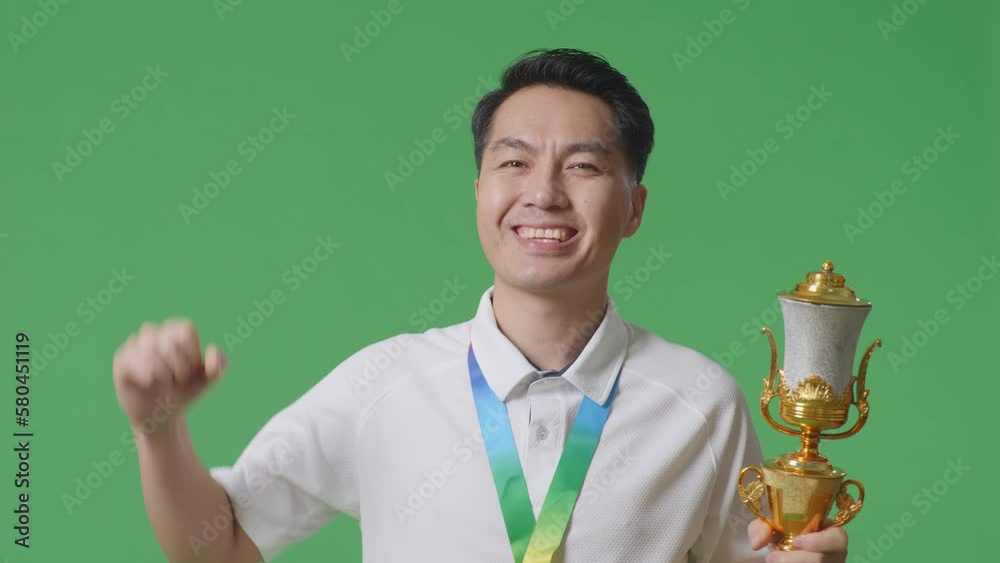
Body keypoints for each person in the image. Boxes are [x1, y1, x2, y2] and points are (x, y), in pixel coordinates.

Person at [112, 48, 850, 563]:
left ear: (634, 207)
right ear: (480, 193)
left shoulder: (700, 402)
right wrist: (158, 425)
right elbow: (218, 544)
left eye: (585, 165)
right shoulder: (384, 385)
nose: (544, 192)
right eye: (514, 161)